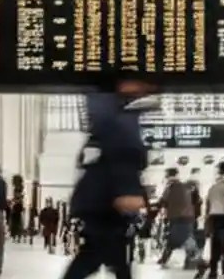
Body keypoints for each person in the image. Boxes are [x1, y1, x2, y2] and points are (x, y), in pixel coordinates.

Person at [61, 69, 155, 279]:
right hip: (105, 203)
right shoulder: (113, 113)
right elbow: (122, 152)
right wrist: (127, 190)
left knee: (103, 257)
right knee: (103, 256)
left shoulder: (118, 111)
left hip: (103, 205)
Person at [197, 161, 224, 279]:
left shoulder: (213, 186)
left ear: (218, 170)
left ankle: (213, 272)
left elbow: (208, 203)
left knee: (215, 245)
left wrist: (206, 219)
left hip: (215, 217)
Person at [156, 168, 198, 269]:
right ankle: (190, 261)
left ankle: (164, 259)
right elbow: (195, 200)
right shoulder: (186, 186)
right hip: (189, 217)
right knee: (188, 238)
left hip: (176, 217)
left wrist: (157, 207)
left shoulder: (170, 187)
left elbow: (163, 201)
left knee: (173, 239)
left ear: (168, 176)